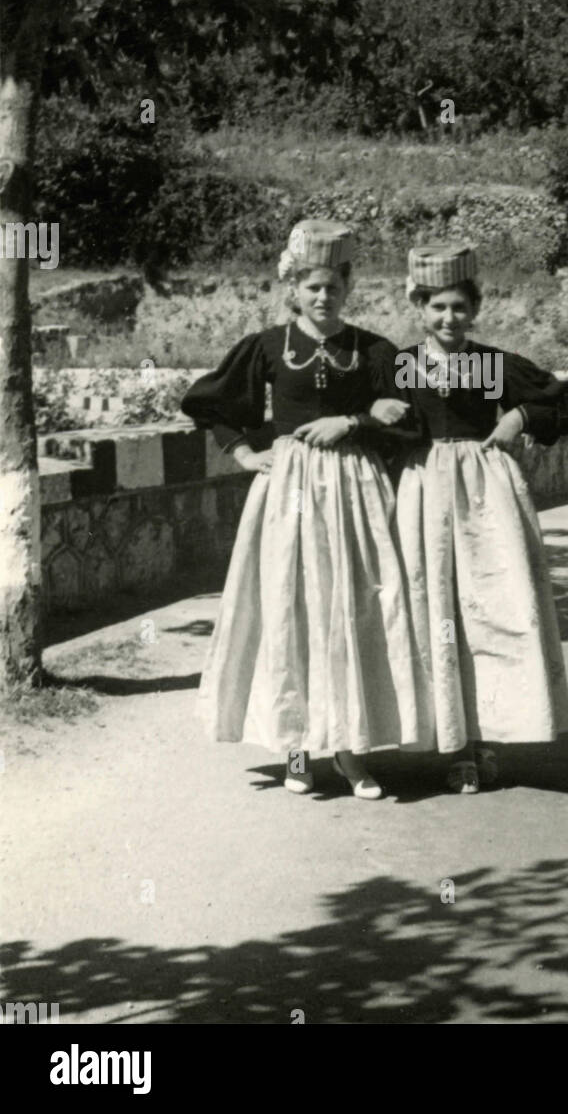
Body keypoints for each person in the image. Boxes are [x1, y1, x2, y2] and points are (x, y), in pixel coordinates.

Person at [180, 220, 430, 800]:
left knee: (353, 607)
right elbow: (207, 401)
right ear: (293, 287)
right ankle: (296, 748)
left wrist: (356, 421)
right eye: (311, 287)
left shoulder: (373, 351)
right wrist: (244, 453)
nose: (323, 297)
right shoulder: (268, 347)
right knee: (290, 610)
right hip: (289, 490)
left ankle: (351, 750)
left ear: (348, 287)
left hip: (353, 490)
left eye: (333, 287)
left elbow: (415, 417)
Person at [385, 243, 568, 794]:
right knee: (432, 608)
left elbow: (565, 397)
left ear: (475, 308)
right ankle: (441, 735)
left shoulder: (490, 364)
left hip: (481, 496)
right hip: (422, 493)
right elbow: (370, 421)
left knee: (486, 611)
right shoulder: (399, 364)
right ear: (419, 309)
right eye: (436, 307)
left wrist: (518, 415)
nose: (448, 318)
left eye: (458, 307)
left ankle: (478, 742)